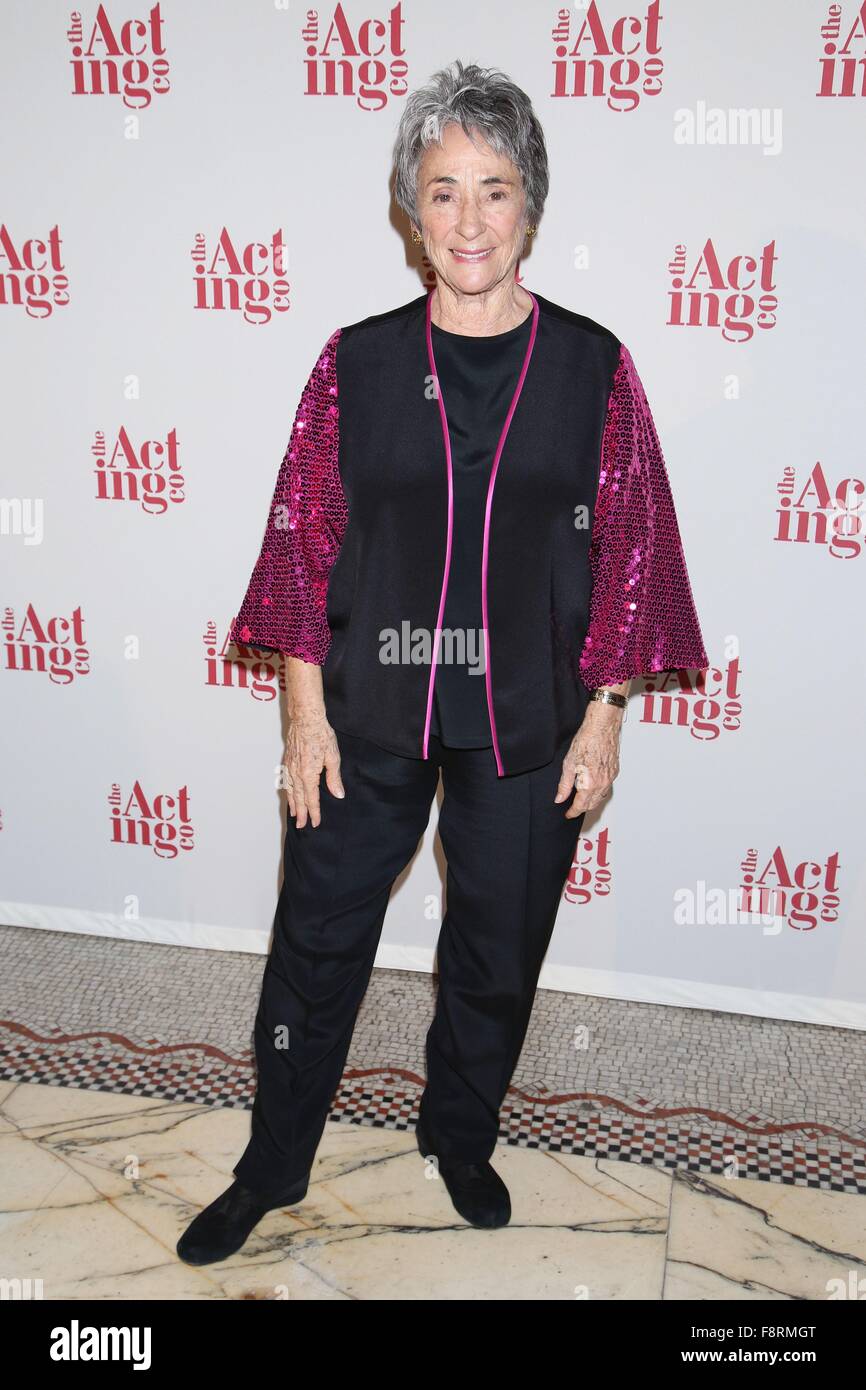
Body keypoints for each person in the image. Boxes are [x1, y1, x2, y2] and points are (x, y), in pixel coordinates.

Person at [177, 59, 709, 1265]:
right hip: (363, 711)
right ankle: (270, 1163)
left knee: (496, 945)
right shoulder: (354, 364)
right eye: (443, 190)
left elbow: (630, 550)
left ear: (530, 205)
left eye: (495, 189)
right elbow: (298, 547)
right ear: (409, 211)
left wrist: (605, 713)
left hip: (531, 716)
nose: (469, 219)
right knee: (314, 942)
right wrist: (300, 720)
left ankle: (459, 1136)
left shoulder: (594, 368)